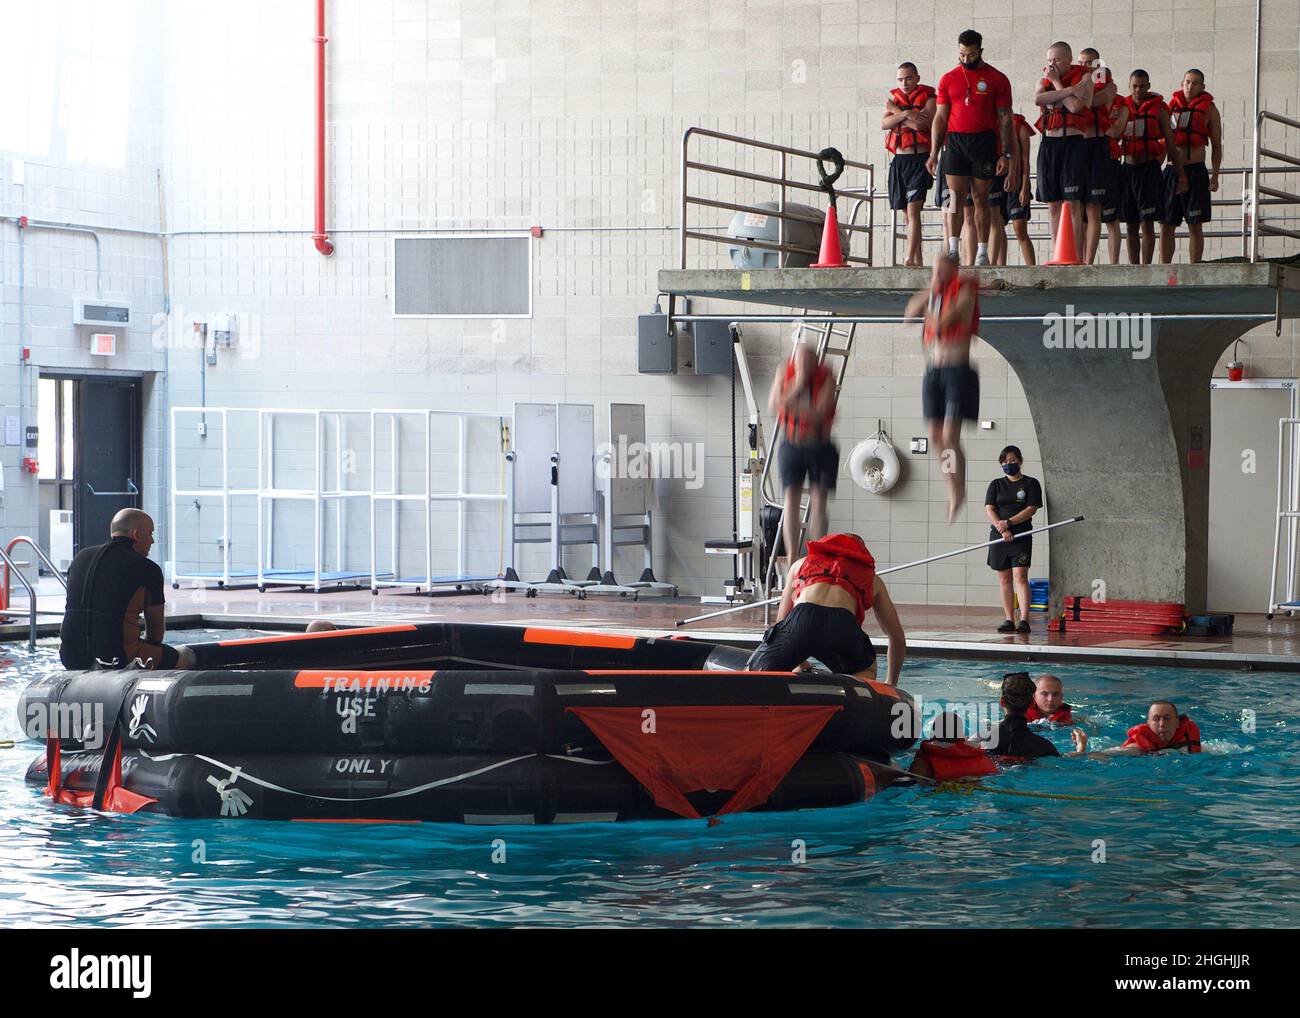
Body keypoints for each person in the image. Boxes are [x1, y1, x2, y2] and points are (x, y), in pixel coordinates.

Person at [747, 533, 906, 685]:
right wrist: (891, 683)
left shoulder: (801, 563)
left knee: (756, 672)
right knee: (866, 670)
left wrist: (798, 660)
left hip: (802, 619)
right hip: (842, 626)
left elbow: (781, 622)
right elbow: (897, 638)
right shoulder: (872, 579)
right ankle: (859, 692)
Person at [59, 509, 195, 671]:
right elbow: (156, 635)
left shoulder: (80, 557)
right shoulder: (148, 569)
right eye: (151, 534)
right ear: (137, 535)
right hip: (118, 658)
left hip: (70, 657)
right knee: (186, 656)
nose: (152, 541)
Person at [927, 28, 1014, 266]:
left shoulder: (997, 78)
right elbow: (940, 118)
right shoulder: (948, 79)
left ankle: (982, 253)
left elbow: (1005, 118)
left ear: (980, 51)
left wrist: (1005, 154)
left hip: (984, 142)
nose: (966, 60)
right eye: (962, 55)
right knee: (954, 198)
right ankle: (953, 249)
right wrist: (934, 153)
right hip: (955, 143)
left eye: (971, 55)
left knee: (981, 198)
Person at [906, 254, 980, 523]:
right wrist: (931, 289)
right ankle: (951, 487)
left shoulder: (966, 289)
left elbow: (945, 322)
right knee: (935, 437)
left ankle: (958, 490)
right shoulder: (934, 293)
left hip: (958, 370)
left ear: (954, 269)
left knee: (949, 435)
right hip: (934, 371)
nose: (938, 274)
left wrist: (928, 311)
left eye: (942, 270)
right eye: (934, 270)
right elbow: (909, 313)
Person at [767, 336, 839, 566]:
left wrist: (788, 404)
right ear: (794, 361)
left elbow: (819, 413)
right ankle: (791, 557)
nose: (804, 368)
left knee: (819, 501)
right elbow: (772, 405)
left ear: (816, 362)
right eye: (800, 363)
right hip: (792, 444)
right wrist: (797, 384)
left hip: (820, 445)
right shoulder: (785, 372)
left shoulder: (826, 376)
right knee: (791, 500)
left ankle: (819, 554)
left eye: (809, 363)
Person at [1034, 42, 1093, 260]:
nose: (1052, 64)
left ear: (1069, 60)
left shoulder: (1085, 79)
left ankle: (1075, 256)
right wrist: (1068, 91)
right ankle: (1058, 253)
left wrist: (1058, 84)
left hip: (1072, 143)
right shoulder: (1043, 80)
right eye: (1049, 60)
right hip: (1049, 145)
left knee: (1073, 203)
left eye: (1057, 60)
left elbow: (1076, 107)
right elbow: (1038, 99)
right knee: (1053, 204)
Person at [1119, 70, 1185, 264]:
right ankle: (1134, 267)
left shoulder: (1160, 110)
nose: (1138, 90)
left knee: (1147, 224)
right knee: (1131, 225)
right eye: (1134, 86)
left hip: (1149, 169)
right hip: (1127, 169)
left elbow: (1171, 145)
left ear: (1148, 86)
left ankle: (1146, 268)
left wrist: (1181, 176)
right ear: (1129, 86)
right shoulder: (1121, 108)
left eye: (1142, 86)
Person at [1160, 69, 1221, 264]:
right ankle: (1164, 268)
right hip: (1171, 172)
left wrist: (1215, 175)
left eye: (1195, 83)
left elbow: (1217, 145)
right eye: (1187, 82)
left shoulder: (1210, 110)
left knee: (1195, 224)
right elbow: (1161, 143)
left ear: (1202, 87)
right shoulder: (1170, 108)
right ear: (1181, 83)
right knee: (1166, 224)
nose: (1190, 86)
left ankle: (1195, 266)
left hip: (1195, 170)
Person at [883, 63, 937, 268]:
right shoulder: (896, 99)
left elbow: (920, 125)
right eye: (900, 80)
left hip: (919, 161)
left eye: (908, 78)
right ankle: (918, 259)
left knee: (914, 210)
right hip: (899, 161)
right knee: (907, 214)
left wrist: (898, 113)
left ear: (917, 78)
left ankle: (908, 258)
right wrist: (906, 114)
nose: (904, 83)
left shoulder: (929, 99)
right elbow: (884, 124)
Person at [984, 444, 1042, 633]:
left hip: (1021, 535)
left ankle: (1024, 620)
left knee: (1020, 576)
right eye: (1005, 461)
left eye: (1012, 460)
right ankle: (1009, 619)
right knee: (1004, 578)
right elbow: (989, 508)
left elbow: (1031, 508)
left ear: (1020, 461)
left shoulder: (1031, 483)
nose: (1009, 464)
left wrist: (1009, 523)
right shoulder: (996, 484)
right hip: (999, 536)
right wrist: (1002, 528)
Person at [1077, 48, 1118, 263]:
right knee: (1077, 206)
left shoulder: (1110, 86)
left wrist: (1076, 93)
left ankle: (1088, 261)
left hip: (1098, 145)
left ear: (1098, 64)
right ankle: (1076, 257)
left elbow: (1092, 101)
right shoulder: (1073, 83)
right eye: (1082, 63)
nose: (1085, 67)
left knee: (1093, 207)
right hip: (1077, 145)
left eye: (1090, 63)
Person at [986, 672, 1075, 759]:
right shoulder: (1045, 747)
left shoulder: (984, 740)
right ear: (1033, 700)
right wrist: (1080, 750)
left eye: (1055, 694)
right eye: (1044, 694)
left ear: (1002, 702)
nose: (1050, 699)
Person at [909, 710, 998, 781]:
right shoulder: (984, 759)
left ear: (935, 733)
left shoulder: (922, 764)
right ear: (961, 735)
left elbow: (916, 785)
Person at [1001, 112, 1037, 265]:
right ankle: (999, 267)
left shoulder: (1020, 127)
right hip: (998, 184)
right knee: (998, 228)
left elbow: (1026, 161)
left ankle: (1032, 269)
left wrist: (1024, 187)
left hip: (1016, 184)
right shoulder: (992, 124)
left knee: (1020, 231)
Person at [1119, 701, 1202, 754]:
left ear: (1177, 723)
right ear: (1148, 724)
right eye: (1156, 719)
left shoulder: (1189, 743)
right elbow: (1108, 753)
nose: (1162, 724)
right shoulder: (1136, 748)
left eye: (1167, 718)